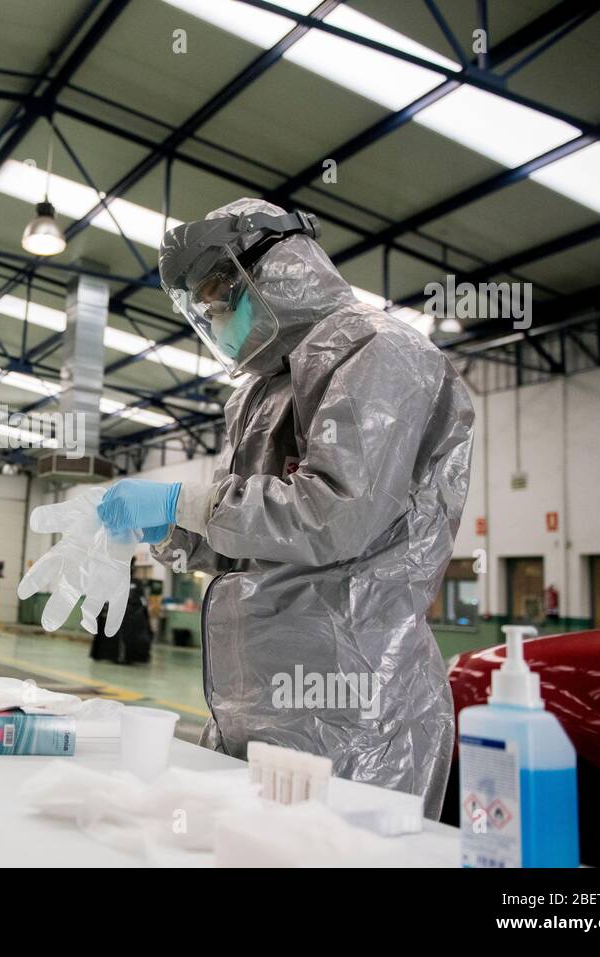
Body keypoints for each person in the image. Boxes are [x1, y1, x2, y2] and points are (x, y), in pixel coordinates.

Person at [96, 198, 473, 818]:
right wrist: (173, 530)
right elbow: (257, 537)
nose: (215, 318)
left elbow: (336, 515)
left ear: (276, 268)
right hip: (256, 699)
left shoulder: (379, 352)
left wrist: (186, 499)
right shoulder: (259, 393)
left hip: (353, 708)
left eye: (222, 296)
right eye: (205, 307)